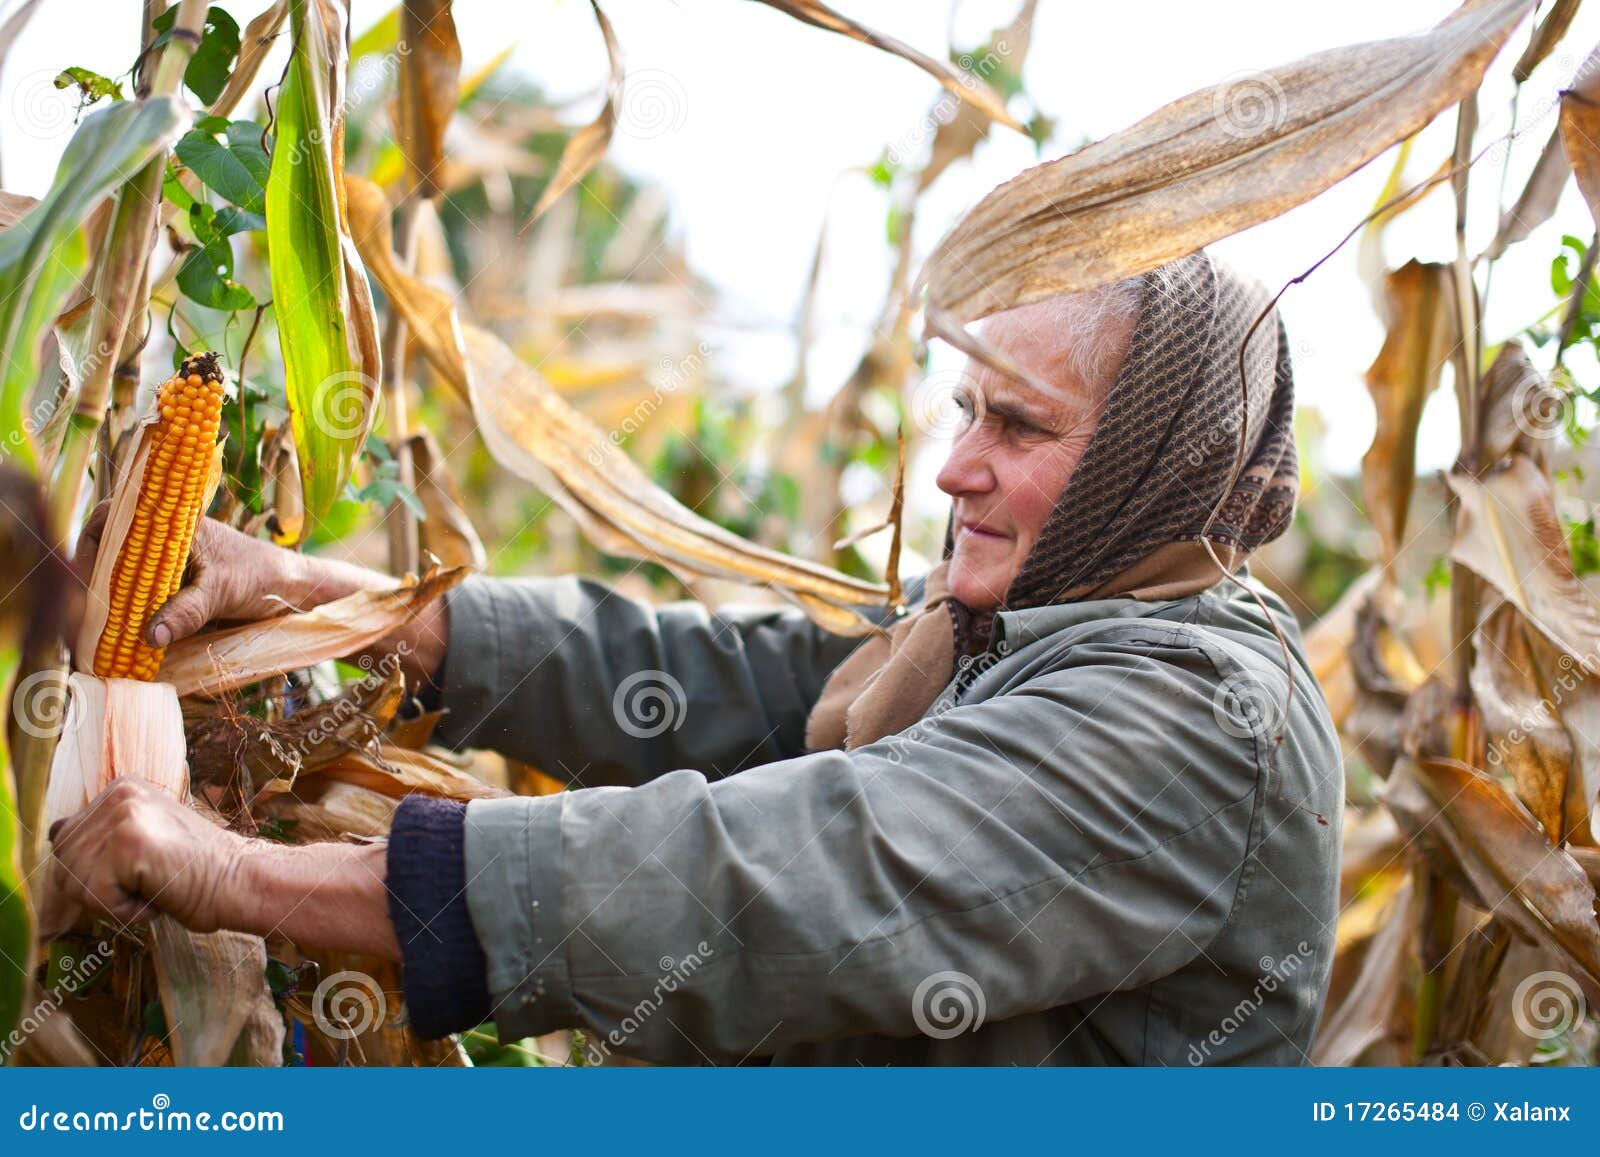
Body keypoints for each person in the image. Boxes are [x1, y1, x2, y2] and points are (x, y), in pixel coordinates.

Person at [43, 249, 1342, 1065]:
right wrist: (355, 602)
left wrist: (239, 871)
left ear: (1148, 465)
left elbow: (784, 878)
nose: (953, 467)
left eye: (1020, 425)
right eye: (963, 409)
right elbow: (738, 685)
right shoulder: (1007, 623)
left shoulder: (1190, 714)